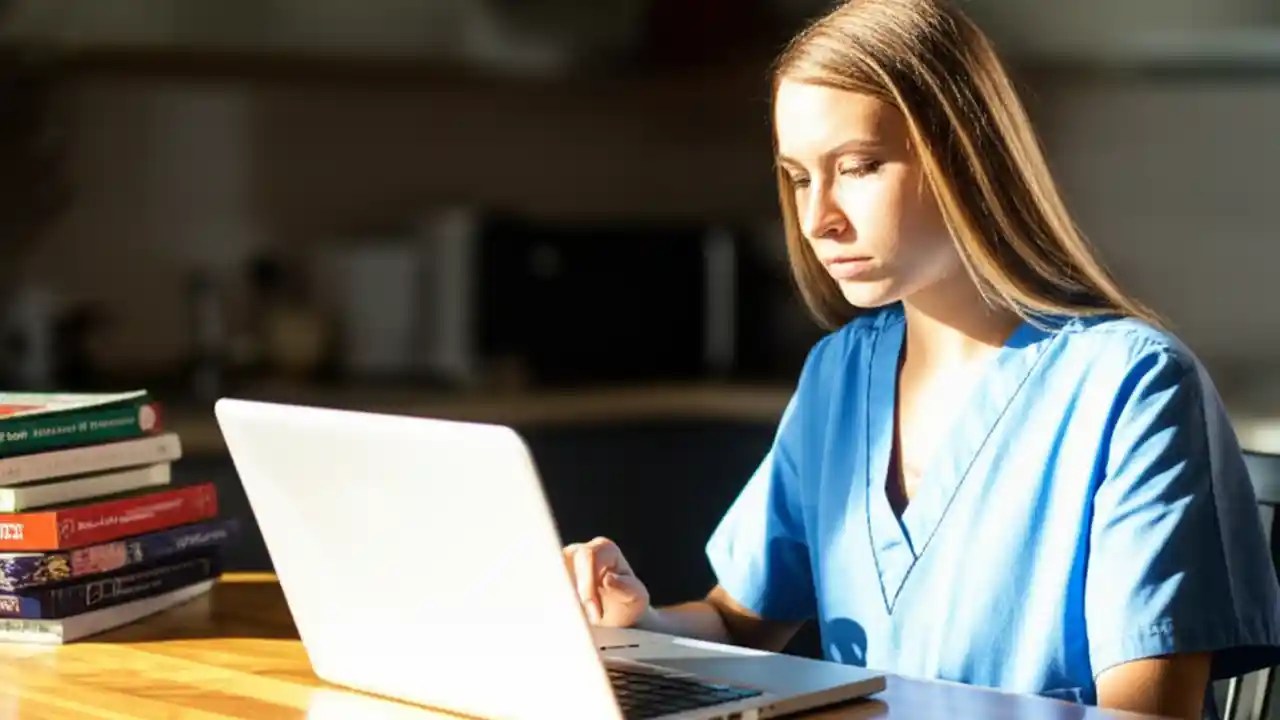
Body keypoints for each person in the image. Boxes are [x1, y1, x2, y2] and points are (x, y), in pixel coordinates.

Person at [561, 0, 1280, 718]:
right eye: (801, 177)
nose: (818, 219)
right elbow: (739, 623)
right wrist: (637, 621)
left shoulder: (1133, 386)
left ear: (965, 157)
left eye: (859, 167)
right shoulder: (839, 378)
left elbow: (1149, 715)